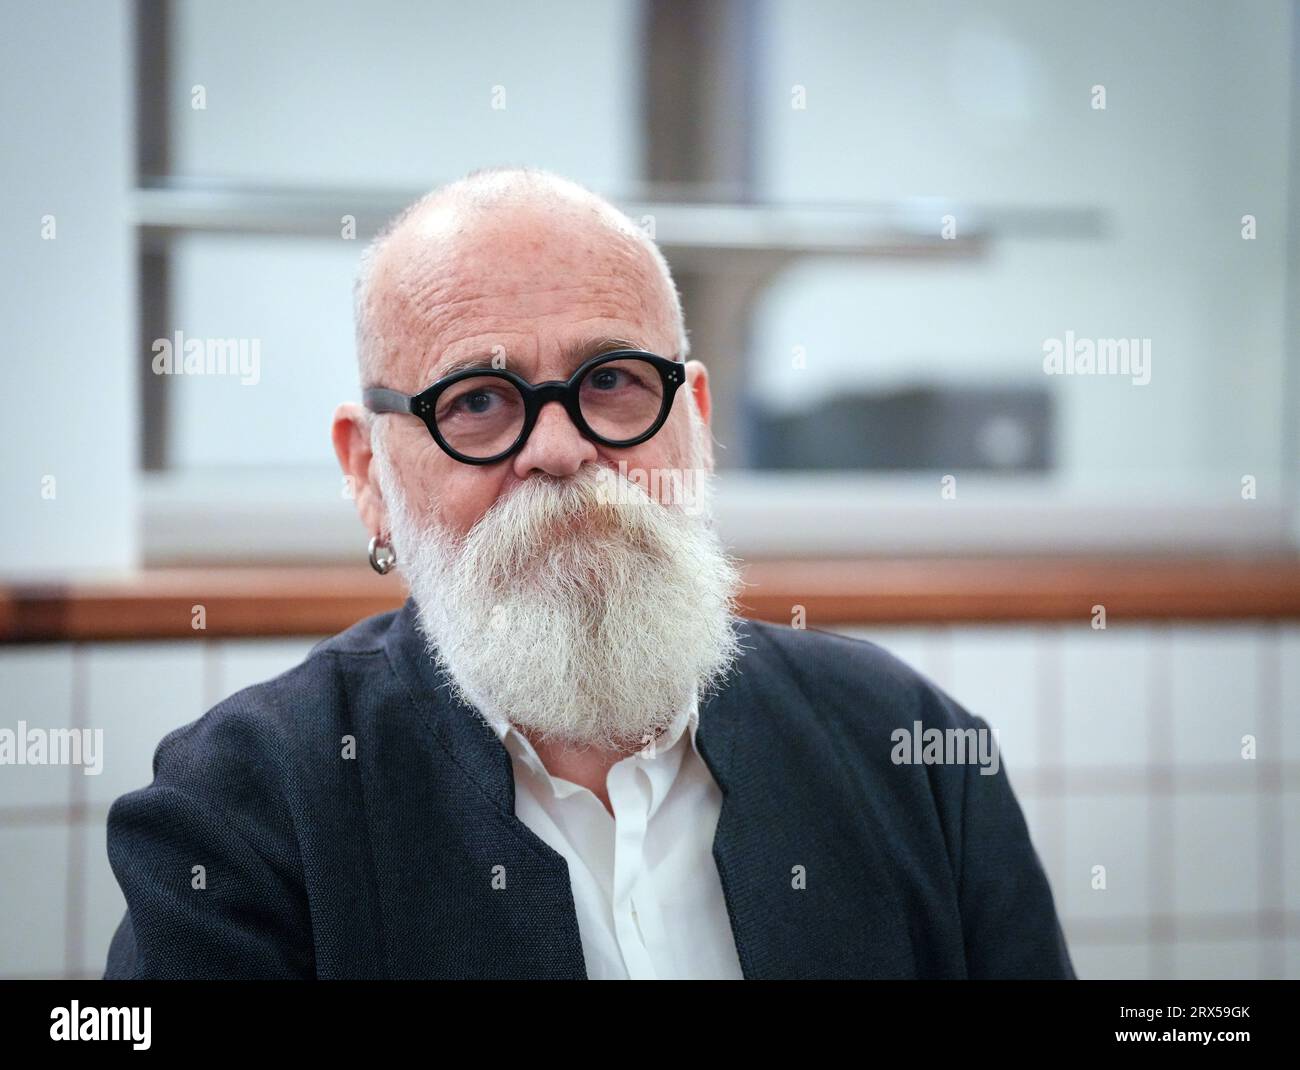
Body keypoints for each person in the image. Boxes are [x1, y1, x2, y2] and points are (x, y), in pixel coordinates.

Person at [103, 166, 1074, 979]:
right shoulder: (239, 815)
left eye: (611, 381)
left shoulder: (915, 753)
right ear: (368, 473)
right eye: (478, 399)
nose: (561, 448)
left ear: (692, 415)